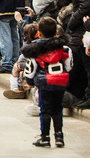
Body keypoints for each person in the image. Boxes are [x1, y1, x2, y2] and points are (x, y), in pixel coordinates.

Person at [22, 17, 71, 147]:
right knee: (58, 109)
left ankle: (45, 137)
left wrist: (30, 82)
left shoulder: (34, 50)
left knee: (45, 110)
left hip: (44, 82)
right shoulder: (64, 48)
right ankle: (59, 136)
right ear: (56, 32)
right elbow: (69, 65)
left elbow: (30, 69)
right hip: (60, 80)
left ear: (40, 33)